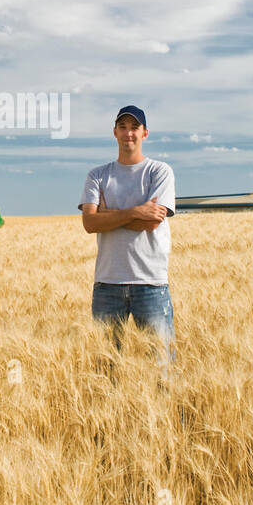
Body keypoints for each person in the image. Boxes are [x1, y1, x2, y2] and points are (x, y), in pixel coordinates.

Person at [77, 105, 177, 368]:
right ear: (114, 132)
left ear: (145, 133)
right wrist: (137, 211)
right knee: (105, 368)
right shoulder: (97, 175)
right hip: (108, 283)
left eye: (134, 128)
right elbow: (89, 222)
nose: (128, 133)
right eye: (123, 127)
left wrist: (108, 216)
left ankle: (161, 409)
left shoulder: (159, 171)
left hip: (151, 284)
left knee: (161, 367)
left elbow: (153, 222)